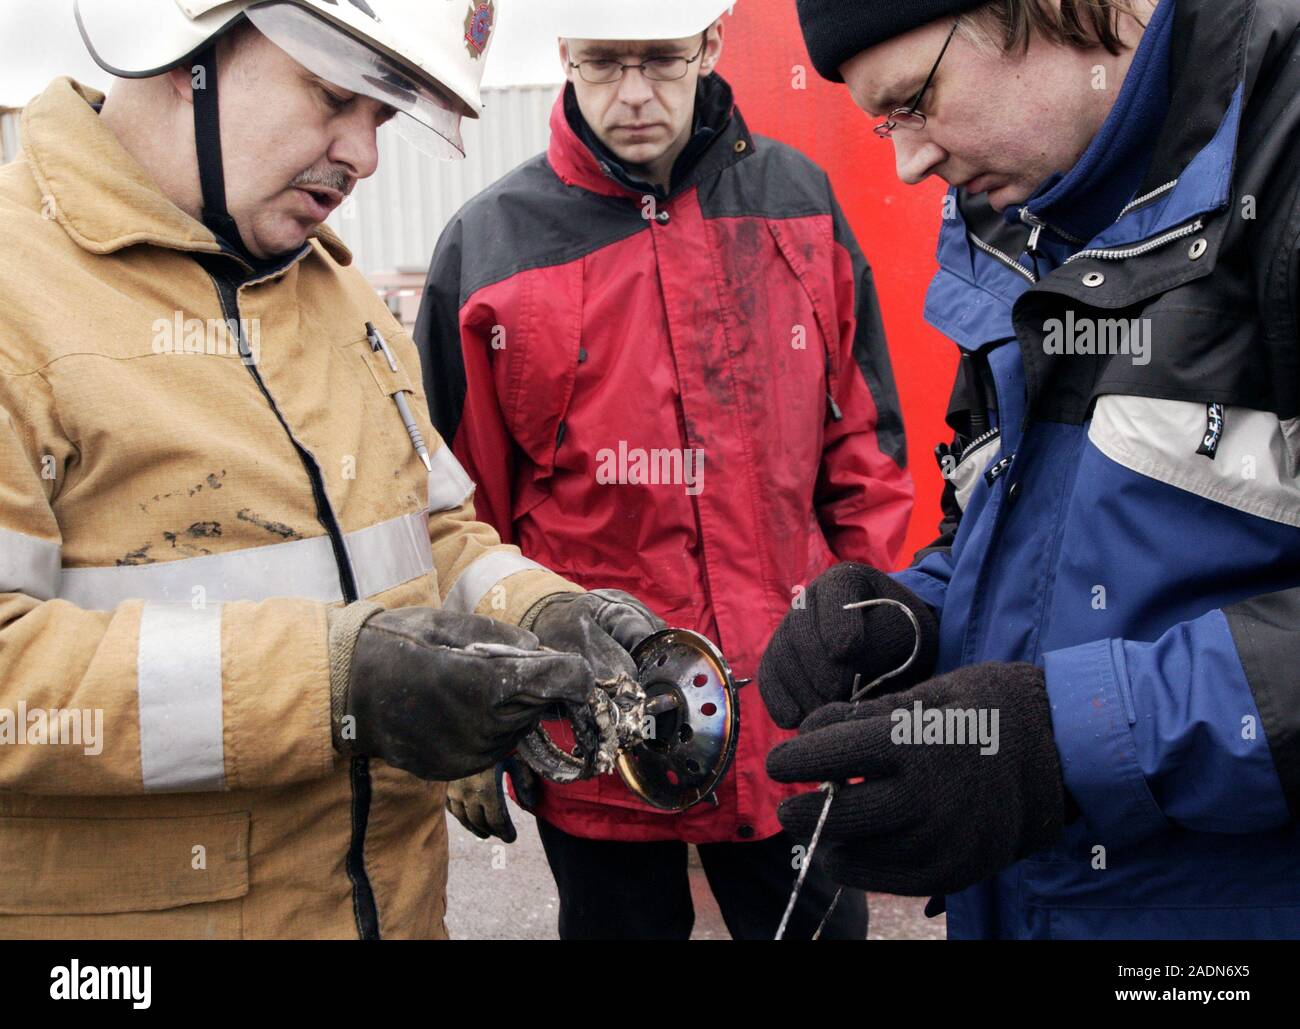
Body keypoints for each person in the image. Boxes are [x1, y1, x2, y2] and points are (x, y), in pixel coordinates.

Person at [0, 0, 661, 940]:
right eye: (333, 95)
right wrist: (335, 683)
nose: (364, 155)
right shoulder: (14, 293)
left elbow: (431, 535)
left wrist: (542, 613)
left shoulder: (341, 298)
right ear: (188, 43)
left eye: (384, 117)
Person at [761, 0, 1300, 939]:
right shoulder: (1025, 216)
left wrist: (1061, 742)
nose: (906, 161)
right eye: (883, 126)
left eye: (912, 104)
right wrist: (914, 616)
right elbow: (1029, 527)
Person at [415, 0, 913, 940]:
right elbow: (454, 512)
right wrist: (468, 715)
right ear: (564, 54)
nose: (633, 94)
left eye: (661, 60)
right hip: (598, 730)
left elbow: (864, 453)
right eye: (603, 64)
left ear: (711, 45)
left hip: (792, 717)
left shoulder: (800, 204)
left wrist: (877, 648)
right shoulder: (484, 253)